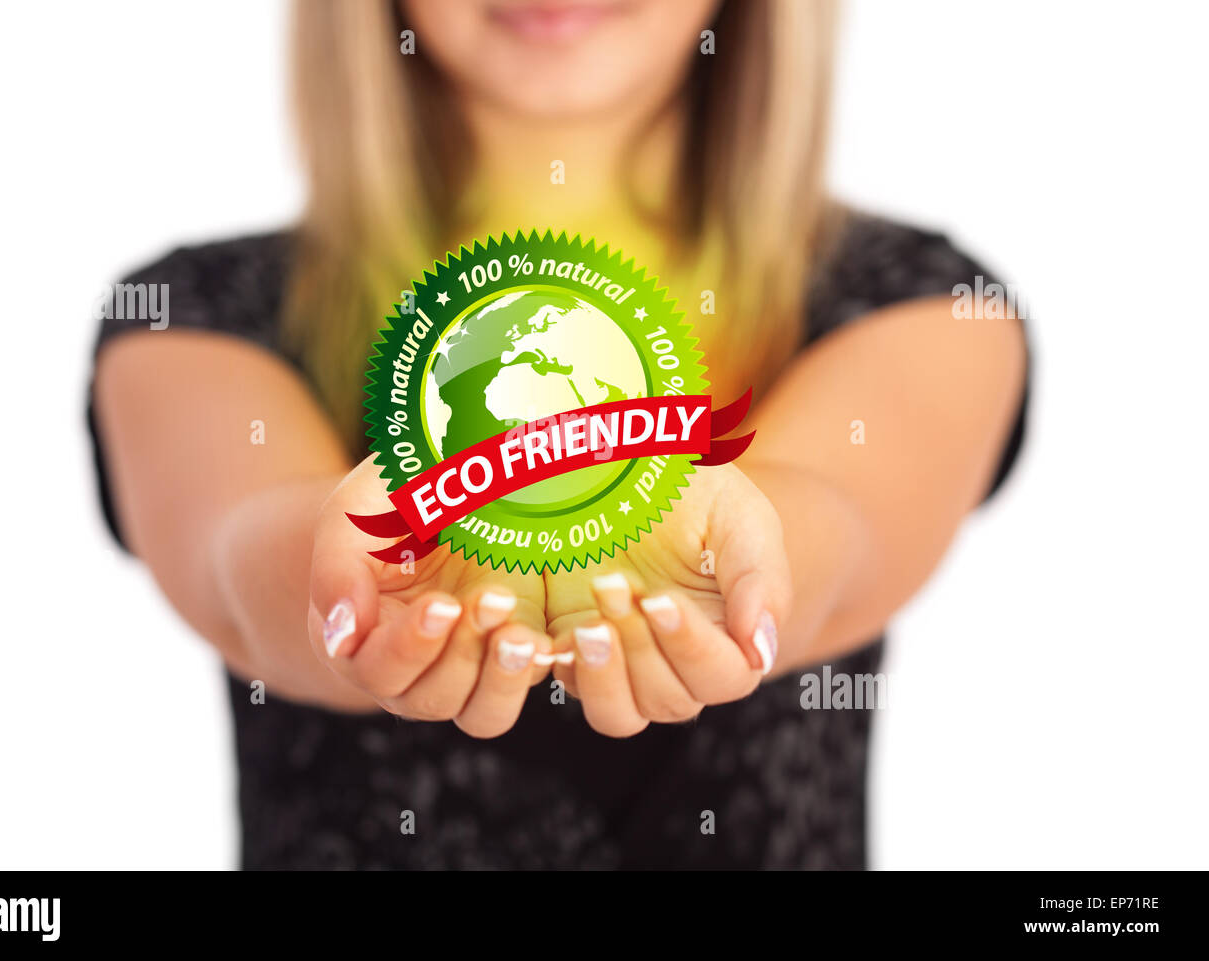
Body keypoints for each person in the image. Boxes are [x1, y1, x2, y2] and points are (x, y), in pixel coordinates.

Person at [89, 0, 1028, 869]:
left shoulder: (928, 303)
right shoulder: (191, 315)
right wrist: (362, 580)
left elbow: (840, 528)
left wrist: (732, 563)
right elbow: (234, 557)